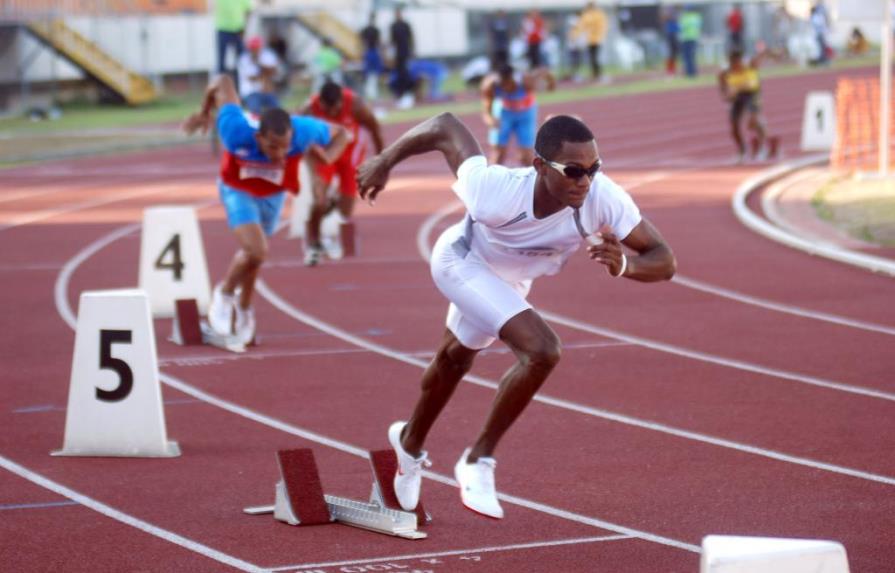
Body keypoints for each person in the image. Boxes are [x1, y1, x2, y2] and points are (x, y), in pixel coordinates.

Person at [355, 112, 676, 519]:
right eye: (574, 170)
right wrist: (385, 160)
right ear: (540, 166)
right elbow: (446, 127)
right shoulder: (495, 189)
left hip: (511, 282)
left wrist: (624, 266)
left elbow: (664, 259)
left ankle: (409, 442)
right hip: (462, 261)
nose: (585, 181)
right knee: (542, 350)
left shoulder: (602, 199)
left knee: (454, 360)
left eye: (594, 169)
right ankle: (477, 460)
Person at [181, 75, 350, 341]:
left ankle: (245, 307)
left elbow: (343, 134)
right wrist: (204, 112)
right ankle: (225, 295)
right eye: (272, 147)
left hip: (273, 196)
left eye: (286, 147)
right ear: (258, 137)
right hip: (238, 190)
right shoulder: (234, 129)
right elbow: (222, 82)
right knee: (257, 249)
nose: (280, 155)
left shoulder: (304, 130)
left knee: (255, 256)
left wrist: (327, 158)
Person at [298, 81, 385, 264]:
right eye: (327, 111)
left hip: (349, 153)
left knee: (347, 203)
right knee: (319, 199)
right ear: (319, 102)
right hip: (323, 154)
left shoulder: (356, 105)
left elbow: (375, 129)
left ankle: (333, 222)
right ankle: (314, 241)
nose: (331, 114)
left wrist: (382, 160)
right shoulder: (309, 110)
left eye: (335, 110)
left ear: (341, 102)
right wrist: (312, 172)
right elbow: (300, 141)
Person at [481, 63, 556, 166]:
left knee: (526, 156)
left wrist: (552, 84)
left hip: (526, 114)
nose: (506, 88)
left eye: (508, 83)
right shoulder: (490, 85)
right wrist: (490, 119)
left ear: (513, 78)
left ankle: (531, 179)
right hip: (504, 113)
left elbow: (543, 71)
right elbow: (487, 107)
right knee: (498, 153)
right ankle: (490, 179)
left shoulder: (526, 81)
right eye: (503, 84)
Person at [717, 47, 776, 162]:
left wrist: (772, 54)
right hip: (737, 96)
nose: (737, 68)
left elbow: (763, 54)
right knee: (733, 126)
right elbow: (723, 91)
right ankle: (742, 151)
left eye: (738, 65)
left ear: (741, 61)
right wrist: (727, 95)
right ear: (730, 63)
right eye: (734, 66)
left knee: (752, 122)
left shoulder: (751, 64)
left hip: (752, 94)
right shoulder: (724, 73)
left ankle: (763, 147)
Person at [237, 36, 280, 116]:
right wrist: (266, 73)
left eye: (257, 47)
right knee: (255, 113)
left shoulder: (268, 55)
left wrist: (258, 63)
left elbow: (274, 71)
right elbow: (252, 78)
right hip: (251, 92)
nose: (255, 50)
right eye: (253, 48)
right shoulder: (244, 59)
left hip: (267, 91)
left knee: (277, 112)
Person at [214, 0, 252, 78]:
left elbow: (248, 11)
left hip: (238, 30)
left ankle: (243, 82)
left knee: (242, 60)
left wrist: (244, 27)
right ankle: (221, 84)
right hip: (223, 28)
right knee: (221, 63)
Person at [390, 6, 415, 109]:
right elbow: (392, 41)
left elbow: (411, 38)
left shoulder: (406, 25)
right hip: (398, 54)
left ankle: (409, 93)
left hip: (406, 52)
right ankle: (401, 95)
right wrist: (391, 54)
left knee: (406, 73)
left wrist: (412, 50)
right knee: (400, 74)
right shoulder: (393, 26)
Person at [576, 1, 608, 82]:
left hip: (597, 39)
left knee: (595, 57)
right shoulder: (586, 15)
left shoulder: (598, 14)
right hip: (589, 39)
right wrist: (577, 36)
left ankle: (598, 74)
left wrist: (600, 35)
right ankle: (595, 74)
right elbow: (581, 26)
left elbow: (602, 26)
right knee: (592, 58)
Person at [360, 13, 384, 101]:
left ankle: (373, 93)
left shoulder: (376, 30)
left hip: (374, 51)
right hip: (369, 52)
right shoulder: (365, 30)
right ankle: (368, 93)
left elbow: (378, 41)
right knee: (368, 73)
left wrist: (381, 52)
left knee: (375, 73)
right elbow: (362, 41)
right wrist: (363, 51)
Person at [678, 5, 702, 78]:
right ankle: (693, 72)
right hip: (694, 38)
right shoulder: (697, 17)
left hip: (686, 39)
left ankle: (689, 73)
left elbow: (681, 27)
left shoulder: (684, 18)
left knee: (687, 56)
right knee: (692, 56)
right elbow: (699, 26)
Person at [663, 7, 680, 75]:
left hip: (675, 35)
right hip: (670, 35)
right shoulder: (668, 20)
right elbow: (664, 18)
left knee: (674, 54)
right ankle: (669, 70)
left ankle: (673, 69)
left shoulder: (675, 19)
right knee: (670, 54)